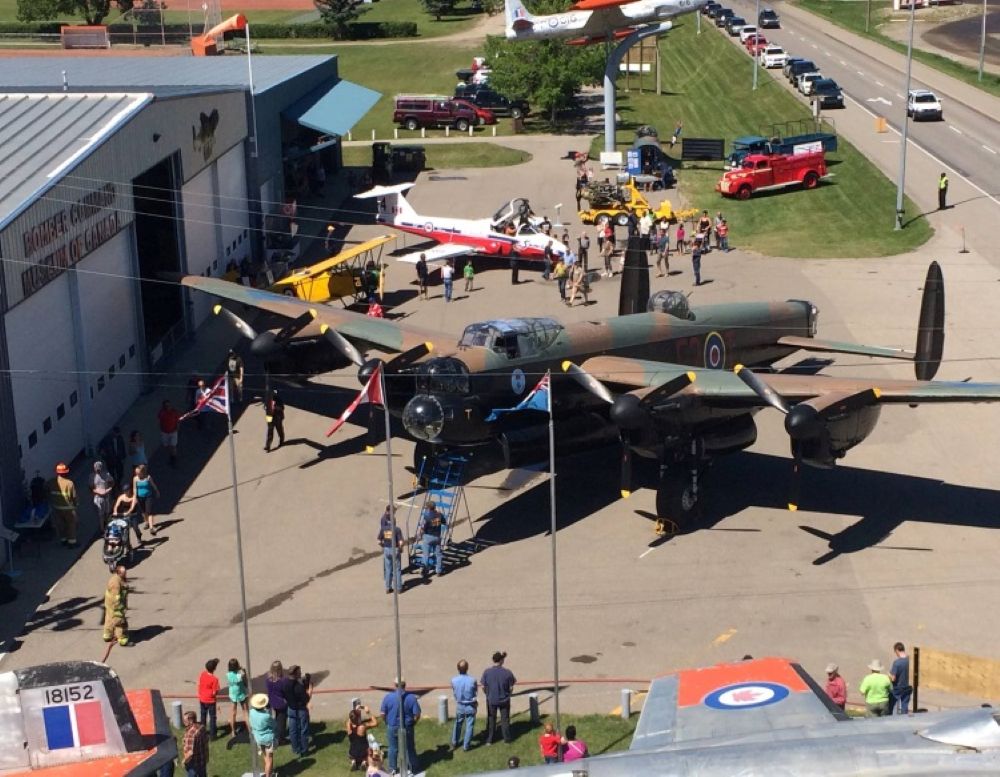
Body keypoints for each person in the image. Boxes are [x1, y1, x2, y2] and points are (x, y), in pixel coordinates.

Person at [380, 679, 420, 775]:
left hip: (392, 725)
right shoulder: (411, 698)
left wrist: (386, 721)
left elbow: (382, 713)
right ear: (405, 685)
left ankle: (392, 768)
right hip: (407, 726)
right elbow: (417, 714)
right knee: (409, 747)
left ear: (394, 685)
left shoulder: (388, 697)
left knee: (393, 748)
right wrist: (413, 722)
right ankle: (412, 766)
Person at [481, 651, 516, 745]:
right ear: (501, 660)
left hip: (491, 699)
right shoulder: (507, 673)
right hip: (504, 700)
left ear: (493, 660)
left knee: (491, 720)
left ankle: (489, 740)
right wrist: (509, 695)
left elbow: (483, 687)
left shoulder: (487, 672)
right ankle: (507, 739)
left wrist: (487, 695)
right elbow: (511, 687)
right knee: (505, 720)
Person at [101, 563, 129, 659]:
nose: (126, 574)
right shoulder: (116, 583)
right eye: (124, 572)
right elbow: (116, 598)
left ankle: (107, 635)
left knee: (109, 618)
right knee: (120, 622)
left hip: (109, 604)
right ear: (119, 573)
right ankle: (122, 638)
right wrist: (119, 609)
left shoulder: (116, 578)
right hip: (115, 605)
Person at [47, 462, 79, 547]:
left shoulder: (51, 482)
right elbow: (74, 497)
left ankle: (63, 540)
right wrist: (76, 505)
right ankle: (72, 543)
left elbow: (46, 492)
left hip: (57, 508)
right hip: (68, 509)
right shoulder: (69, 483)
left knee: (61, 524)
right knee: (71, 525)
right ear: (66, 473)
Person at [451, 659, 478, 751]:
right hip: (470, 705)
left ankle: (454, 742)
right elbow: (475, 692)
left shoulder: (454, 680)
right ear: (467, 668)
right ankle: (466, 746)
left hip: (460, 705)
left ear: (458, 668)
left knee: (458, 723)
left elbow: (454, 692)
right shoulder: (472, 680)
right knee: (469, 725)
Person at [285, 664, 312, 757]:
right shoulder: (299, 687)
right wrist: (310, 690)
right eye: (299, 672)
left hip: (291, 709)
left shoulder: (285, 683)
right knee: (303, 729)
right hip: (301, 710)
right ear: (295, 674)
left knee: (293, 730)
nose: (301, 673)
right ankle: (304, 750)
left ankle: (295, 748)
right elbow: (306, 699)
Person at [249, 693, 277, 777]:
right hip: (267, 739)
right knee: (270, 759)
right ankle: (268, 775)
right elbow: (274, 724)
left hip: (258, 738)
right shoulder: (266, 716)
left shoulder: (251, 712)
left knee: (265, 757)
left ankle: (268, 772)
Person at [377, 505, 404, 594]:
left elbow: (380, 538)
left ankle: (388, 587)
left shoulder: (386, 525)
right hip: (394, 548)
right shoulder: (386, 520)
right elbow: (400, 542)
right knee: (397, 569)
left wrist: (383, 545)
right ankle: (399, 587)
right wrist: (401, 548)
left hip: (387, 547)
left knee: (389, 568)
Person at [418, 500, 446, 581]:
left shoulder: (427, 516)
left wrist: (420, 535)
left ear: (429, 508)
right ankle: (439, 571)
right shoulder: (439, 515)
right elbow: (444, 522)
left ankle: (425, 571)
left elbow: (423, 528)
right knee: (438, 554)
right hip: (437, 536)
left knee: (426, 554)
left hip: (428, 537)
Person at [348, 703, 379, 771]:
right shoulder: (363, 727)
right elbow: (375, 723)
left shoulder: (348, 726)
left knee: (353, 750)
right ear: (358, 718)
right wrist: (368, 712)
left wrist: (355, 711)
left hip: (352, 752)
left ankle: (353, 761)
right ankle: (364, 762)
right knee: (370, 749)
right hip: (363, 752)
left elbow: (351, 718)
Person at [132, 464, 161, 536]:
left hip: (148, 496)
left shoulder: (148, 478)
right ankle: (147, 522)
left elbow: (153, 485)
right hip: (140, 497)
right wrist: (135, 497)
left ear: (142, 472)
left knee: (149, 512)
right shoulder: (135, 479)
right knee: (143, 511)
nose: (137, 474)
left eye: (138, 473)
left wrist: (157, 491)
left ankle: (151, 528)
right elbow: (135, 488)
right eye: (136, 473)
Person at [266, 661, 290, 743]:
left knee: (276, 719)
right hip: (281, 703)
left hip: (272, 701)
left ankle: (277, 734)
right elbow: (286, 692)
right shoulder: (283, 681)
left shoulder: (268, 680)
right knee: (282, 721)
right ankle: (280, 738)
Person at [181, 710, 209, 777]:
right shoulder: (201, 727)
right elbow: (206, 740)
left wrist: (184, 761)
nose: (183, 722)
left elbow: (190, 753)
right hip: (202, 759)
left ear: (191, 721)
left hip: (193, 764)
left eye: (185, 720)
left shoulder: (190, 734)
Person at [198, 659, 220, 739]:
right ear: (214, 669)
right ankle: (213, 735)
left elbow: (200, 684)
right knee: (212, 717)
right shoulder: (214, 679)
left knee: (203, 716)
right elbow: (215, 692)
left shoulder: (202, 674)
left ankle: (202, 733)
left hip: (202, 699)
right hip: (211, 701)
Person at [227, 658, 249, 735]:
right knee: (245, 712)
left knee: (233, 713)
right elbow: (246, 683)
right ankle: (250, 731)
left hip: (233, 694)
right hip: (241, 693)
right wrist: (244, 672)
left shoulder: (228, 675)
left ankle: (233, 731)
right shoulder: (241, 675)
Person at [889, 642, 912, 715]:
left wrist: (889, 675)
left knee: (890, 705)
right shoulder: (910, 660)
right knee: (904, 707)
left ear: (897, 650)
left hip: (898, 688)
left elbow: (893, 679)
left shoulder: (897, 663)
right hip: (908, 687)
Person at [90, 460, 114, 527]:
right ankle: (102, 529)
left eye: (99, 469)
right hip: (98, 498)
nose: (98, 471)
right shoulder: (92, 476)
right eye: (96, 469)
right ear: (94, 468)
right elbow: (90, 487)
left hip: (106, 497)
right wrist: (96, 491)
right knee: (101, 515)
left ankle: (107, 526)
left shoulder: (107, 474)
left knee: (107, 513)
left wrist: (109, 489)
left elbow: (112, 482)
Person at [157, 400, 181, 467]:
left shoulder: (174, 412)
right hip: (165, 432)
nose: (168, 407)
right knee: (167, 445)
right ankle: (171, 455)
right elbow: (159, 419)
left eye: (169, 405)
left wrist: (177, 427)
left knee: (173, 446)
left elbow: (177, 420)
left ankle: (173, 458)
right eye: (166, 406)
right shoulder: (162, 413)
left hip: (173, 431)